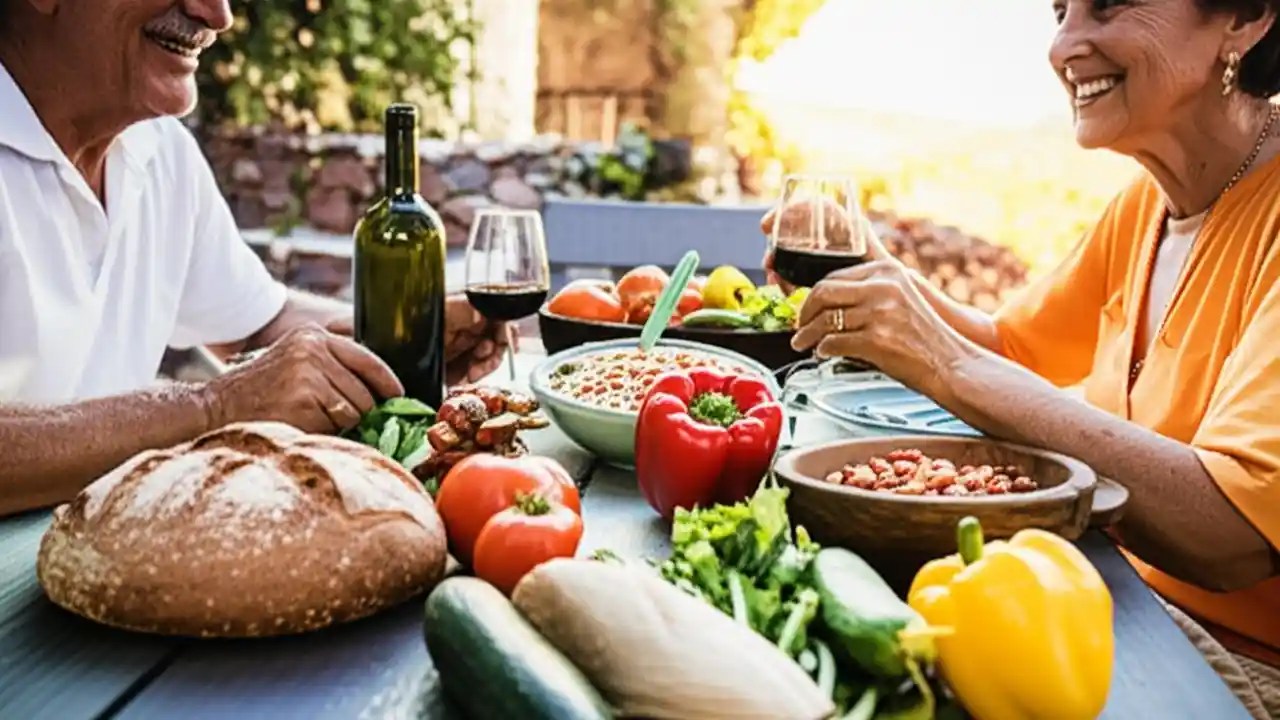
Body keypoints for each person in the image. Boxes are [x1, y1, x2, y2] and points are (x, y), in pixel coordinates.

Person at [768, 0, 1280, 714]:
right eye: (1060, 10)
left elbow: (1231, 535)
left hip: (1238, 668)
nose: (1065, 44)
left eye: (1109, 6)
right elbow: (1013, 355)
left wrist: (943, 362)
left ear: (1246, 17)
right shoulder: (1148, 207)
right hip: (1107, 595)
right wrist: (874, 273)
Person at [0, 0, 509, 516]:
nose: (216, 15)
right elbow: (232, 393)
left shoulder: (161, 151)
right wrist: (212, 408)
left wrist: (397, 340)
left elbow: (257, 324)